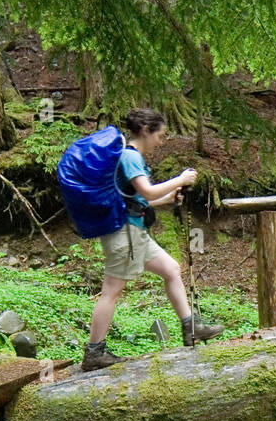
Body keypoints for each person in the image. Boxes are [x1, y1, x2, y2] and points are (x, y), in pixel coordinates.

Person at [81, 108, 223, 371]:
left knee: (170, 269)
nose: (161, 142)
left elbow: (140, 199)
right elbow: (146, 189)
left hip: (134, 232)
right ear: (146, 130)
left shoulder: (128, 157)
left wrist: (166, 199)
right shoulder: (130, 156)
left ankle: (191, 328)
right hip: (125, 235)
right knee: (111, 291)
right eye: (160, 135)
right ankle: (94, 353)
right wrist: (179, 179)